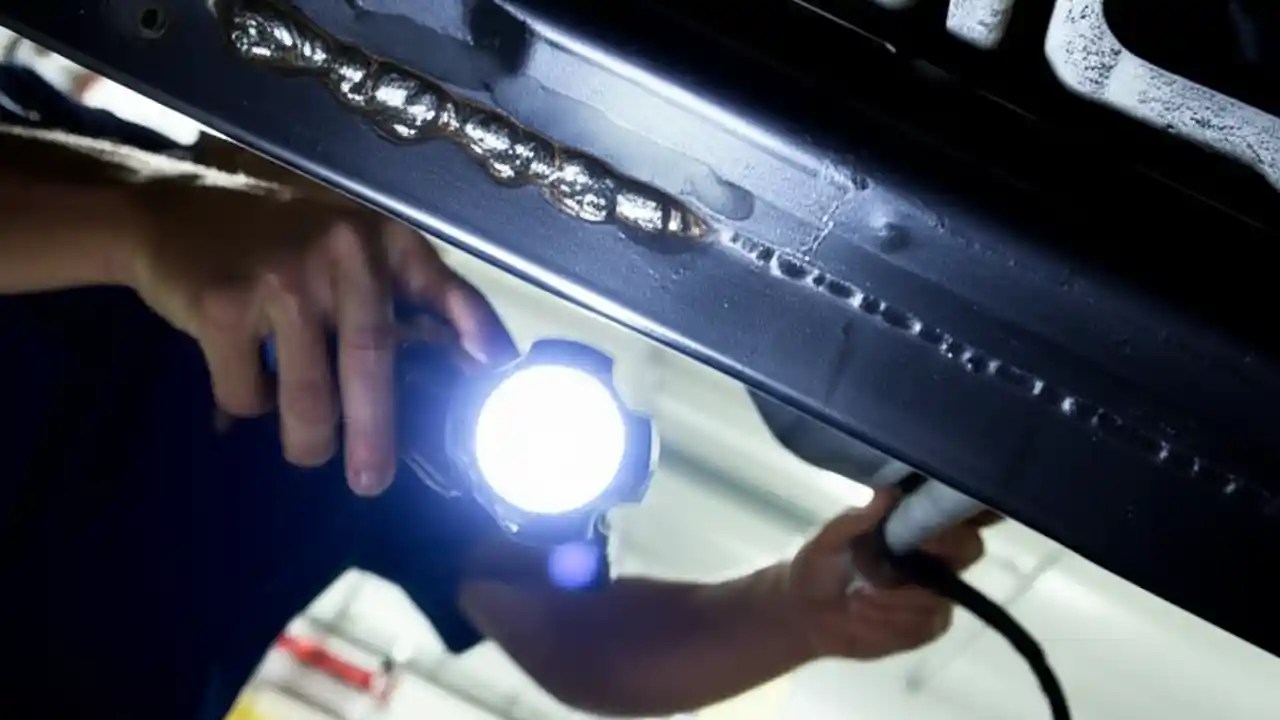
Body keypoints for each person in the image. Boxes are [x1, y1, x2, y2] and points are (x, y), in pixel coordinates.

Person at [0, 63, 986, 717]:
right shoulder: (64, 169)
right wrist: (139, 218)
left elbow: (578, 641)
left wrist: (792, 611)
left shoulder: (379, 430)